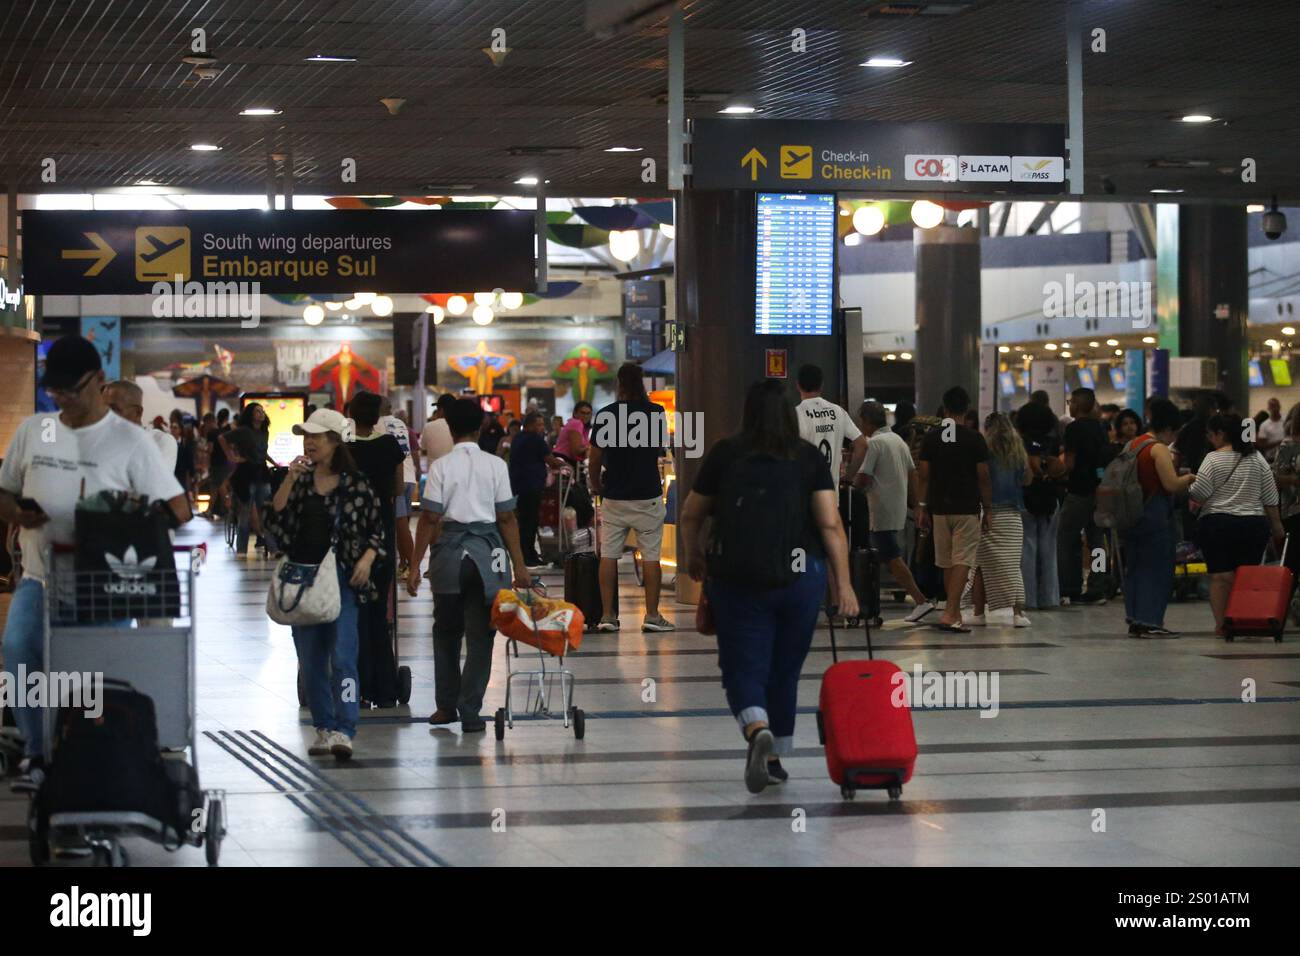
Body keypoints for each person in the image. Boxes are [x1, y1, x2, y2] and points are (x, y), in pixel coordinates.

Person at [0, 337, 191, 789]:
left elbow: (179, 508)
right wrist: (17, 511)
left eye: (71, 390)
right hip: (40, 576)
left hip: (101, 586)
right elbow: (4, 491)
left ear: (99, 382)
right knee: (18, 653)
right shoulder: (37, 430)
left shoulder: (131, 441)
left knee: (85, 676)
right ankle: (36, 751)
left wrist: (130, 515)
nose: (62, 399)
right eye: (56, 392)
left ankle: (84, 762)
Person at [678, 379, 857, 793]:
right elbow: (830, 524)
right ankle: (775, 757)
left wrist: (694, 555)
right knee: (785, 671)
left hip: (738, 577)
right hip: (801, 578)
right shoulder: (807, 457)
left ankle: (756, 727)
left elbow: (691, 512)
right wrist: (844, 586)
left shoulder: (726, 452)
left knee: (743, 664)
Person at [266, 409, 385, 759]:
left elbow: (376, 530)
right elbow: (277, 518)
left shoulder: (357, 484)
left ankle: (344, 729)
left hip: (342, 580)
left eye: (316, 436)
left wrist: (366, 559)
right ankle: (322, 727)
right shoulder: (301, 480)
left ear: (335, 440)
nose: (310, 441)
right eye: (306, 436)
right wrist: (288, 478)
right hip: (303, 579)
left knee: (344, 655)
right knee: (311, 659)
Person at [407, 399, 531, 733]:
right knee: (481, 637)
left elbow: (431, 518)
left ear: (448, 427)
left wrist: (415, 566)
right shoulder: (495, 466)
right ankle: (471, 710)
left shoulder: (440, 467)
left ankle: (446, 707)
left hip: (449, 557)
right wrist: (520, 567)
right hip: (487, 558)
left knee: (446, 633)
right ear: (480, 428)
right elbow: (506, 518)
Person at [588, 363, 673, 632]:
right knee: (650, 557)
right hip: (647, 494)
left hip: (614, 494)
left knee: (609, 555)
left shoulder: (606, 415)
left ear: (619, 384)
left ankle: (607, 616)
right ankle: (652, 615)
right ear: (642, 383)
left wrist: (595, 485)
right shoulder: (656, 413)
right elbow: (658, 451)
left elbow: (595, 456)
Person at [1190, 412, 1285, 635]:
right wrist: (1277, 525)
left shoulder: (1213, 458)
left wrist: (1189, 487)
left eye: (1210, 434)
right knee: (1247, 575)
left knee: (1221, 576)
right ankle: (1245, 619)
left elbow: (1200, 493)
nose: (1209, 439)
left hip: (1217, 523)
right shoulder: (1256, 457)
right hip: (1253, 524)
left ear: (1220, 433)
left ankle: (1222, 625)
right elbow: (1270, 495)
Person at [347, 391, 407, 708]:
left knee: (353, 612)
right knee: (378, 612)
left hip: (351, 537)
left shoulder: (343, 449)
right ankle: (384, 688)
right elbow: (398, 490)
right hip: (381, 535)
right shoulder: (389, 447)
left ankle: (355, 684)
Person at [917, 386, 992, 633]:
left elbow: (924, 476)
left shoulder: (931, 437)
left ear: (944, 408)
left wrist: (922, 507)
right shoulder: (974, 438)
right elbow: (983, 477)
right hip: (967, 507)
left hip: (939, 508)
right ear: (967, 409)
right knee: (963, 560)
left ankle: (954, 612)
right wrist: (988, 508)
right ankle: (950, 612)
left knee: (947, 561)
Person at [1121, 398, 1196, 637]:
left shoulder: (1133, 444)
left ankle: (1135, 617)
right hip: (1154, 515)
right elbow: (1171, 484)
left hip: (1130, 514)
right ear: (1169, 428)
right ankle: (1151, 620)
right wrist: (1191, 478)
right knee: (1157, 568)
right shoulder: (1158, 449)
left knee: (1135, 567)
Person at [854, 401, 934, 623]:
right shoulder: (898, 441)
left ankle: (920, 600)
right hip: (896, 508)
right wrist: (918, 504)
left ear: (868, 421)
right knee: (887, 556)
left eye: (861, 421)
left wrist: (851, 481)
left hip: (880, 510)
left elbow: (863, 477)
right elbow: (913, 474)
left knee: (891, 557)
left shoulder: (876, 443)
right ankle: (878, 603)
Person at [968, 413, 1033, 627]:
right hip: (1013, 515)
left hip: (988, 514)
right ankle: (1018, 614)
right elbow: (1027, 479)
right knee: (1012, 565)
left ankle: (978, 613)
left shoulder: (983, 449)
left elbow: (980, 478)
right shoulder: (1018, 450)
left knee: (980, 565)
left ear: (987, 428)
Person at [1057, 387, 1109, 605]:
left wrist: (1055, 473)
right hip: (1099, 493)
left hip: (1078, 492)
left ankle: (1069, 587)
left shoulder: (1073, 429)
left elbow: (1070, 463)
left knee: (1066, 539)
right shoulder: (1101, 428)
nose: (1070, 404)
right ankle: (1097, 588)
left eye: (1071, 401)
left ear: (1077, 404)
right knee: (1097, 543)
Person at [1017, 400, 1065, 611]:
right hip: (1050, 497)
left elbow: (1032, 466)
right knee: (1048, 549)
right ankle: (1050, 597)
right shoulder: (1052, 441)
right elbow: (1057, 468)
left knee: (1027, 548)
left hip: (1026, 498)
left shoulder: (1022, 442)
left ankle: (1028, 598)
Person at [795, 363, 867, 486]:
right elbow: (862, 445)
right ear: (822, 385)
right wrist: (849, 476)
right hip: (831, 496)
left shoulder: (795, 414)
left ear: (798, 385)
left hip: (804, 495)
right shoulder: (838, 411)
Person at [509, 412, 562, 570]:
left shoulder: (518, 437)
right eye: (539, 424)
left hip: (518, 486)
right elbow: (550, 460)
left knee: (524, 522)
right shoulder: (536, 440)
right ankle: (528, 556)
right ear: (530, 425)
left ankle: (528, 554)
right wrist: (563, 465)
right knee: (530, 522)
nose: (541, 427)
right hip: (531, 486)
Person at [223, 402, 277, 556]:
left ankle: (272, 547)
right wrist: (232, 457)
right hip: (246, 474)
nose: (261, 413)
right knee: (246, 513)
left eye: (262, 411)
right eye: (257, 411)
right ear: (251, 415)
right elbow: (223, 438)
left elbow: (262, 452)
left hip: (261, 473)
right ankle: (241, 550)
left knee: (265, 512)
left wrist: (274, 463)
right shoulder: (244, 431)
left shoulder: (264, 432)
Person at [103, 379, 179, 474]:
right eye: (104, 410)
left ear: (137, 412)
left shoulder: (161, 441)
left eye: (113, 409)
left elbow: (153, 484)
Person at [378, 397, 417, 574]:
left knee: (400, 526)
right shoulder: (400, 424)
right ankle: (404, 564)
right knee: (403, 524)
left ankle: (412, 566)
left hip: (396, 479)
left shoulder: (377, 424)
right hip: (409, 477)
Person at [1272, 411, 1300, 579]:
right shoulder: (1288, 446)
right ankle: (1287, 599)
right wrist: (1293, 480)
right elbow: (1276, 478)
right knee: (1294, 560)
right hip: (1293, 510)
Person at [420, 393, 456, 472]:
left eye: (437, 409)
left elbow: (423, 448)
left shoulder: (428, 426)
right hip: (454, 472)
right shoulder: (459, 426)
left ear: (442, 410)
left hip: (434, 472)